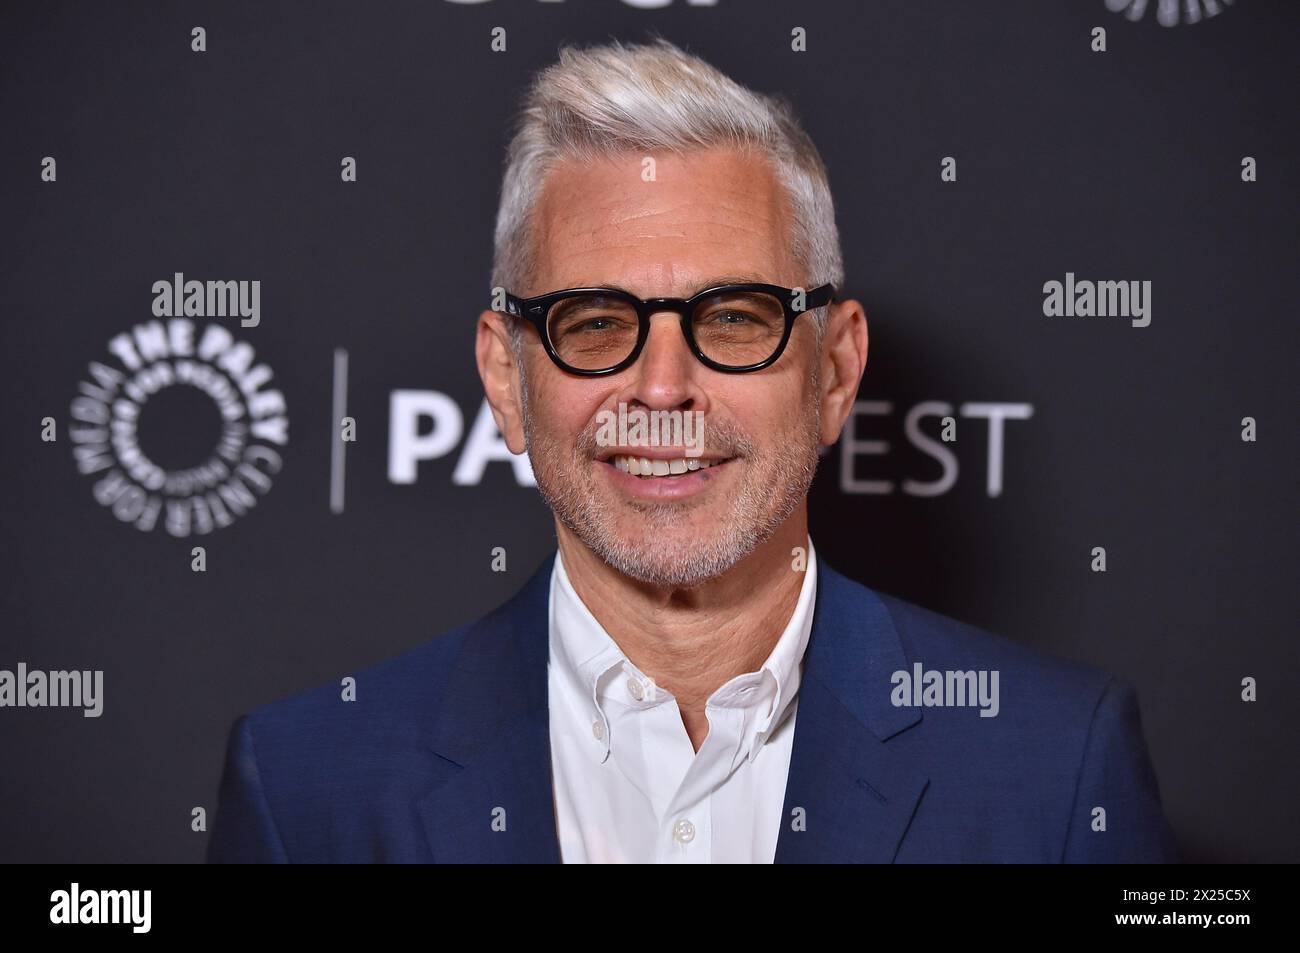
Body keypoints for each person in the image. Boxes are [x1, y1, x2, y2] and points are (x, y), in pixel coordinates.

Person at [208, 38, 1178, 863]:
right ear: (506, 380)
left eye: (733, 316)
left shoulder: (1056, 769)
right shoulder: (307, 788)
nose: (663, 387)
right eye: (592, 322)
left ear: (834, 371)